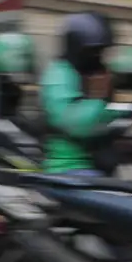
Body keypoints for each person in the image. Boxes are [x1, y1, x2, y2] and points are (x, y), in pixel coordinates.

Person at [38, 12, 125, 174]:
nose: (99, 57)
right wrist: (98, 97)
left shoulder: (89, 72)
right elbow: (74, 124)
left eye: (102, 51)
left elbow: (109, 116)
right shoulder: (59, 76)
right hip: (69, 167)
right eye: (94, 51)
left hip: (98, 161)